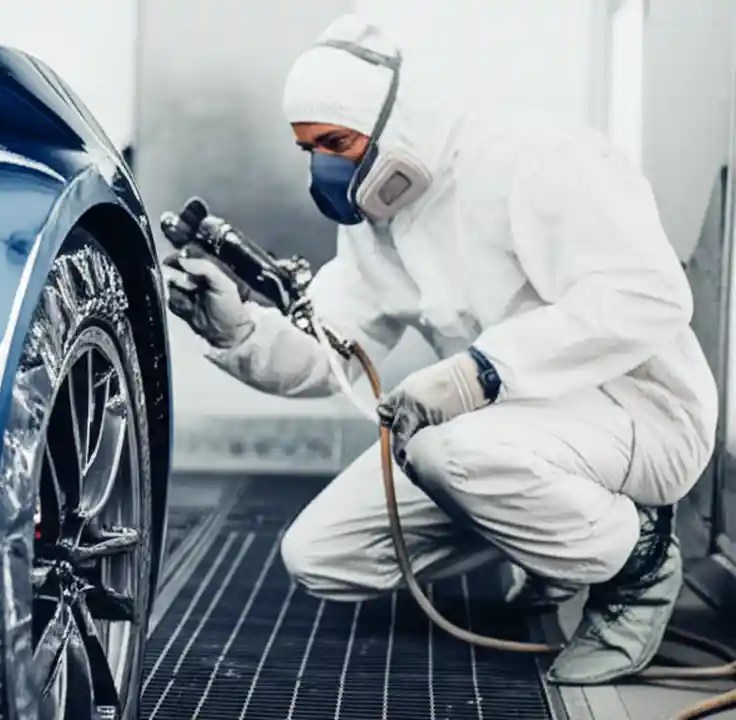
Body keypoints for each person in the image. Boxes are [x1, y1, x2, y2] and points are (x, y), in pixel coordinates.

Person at [162, 14, 717, 685]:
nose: (323, 168)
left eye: (336, 142)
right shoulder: (378, 219)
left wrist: (478, 374)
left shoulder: (537, 159)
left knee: (440, 450)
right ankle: (549, 540)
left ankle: (640, 560)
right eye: (309, 148)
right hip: (506, 433)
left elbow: (648, 297)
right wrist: (240, 332)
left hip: (642, 416)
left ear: (394, 126)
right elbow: (333, 352)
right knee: (320, 555)